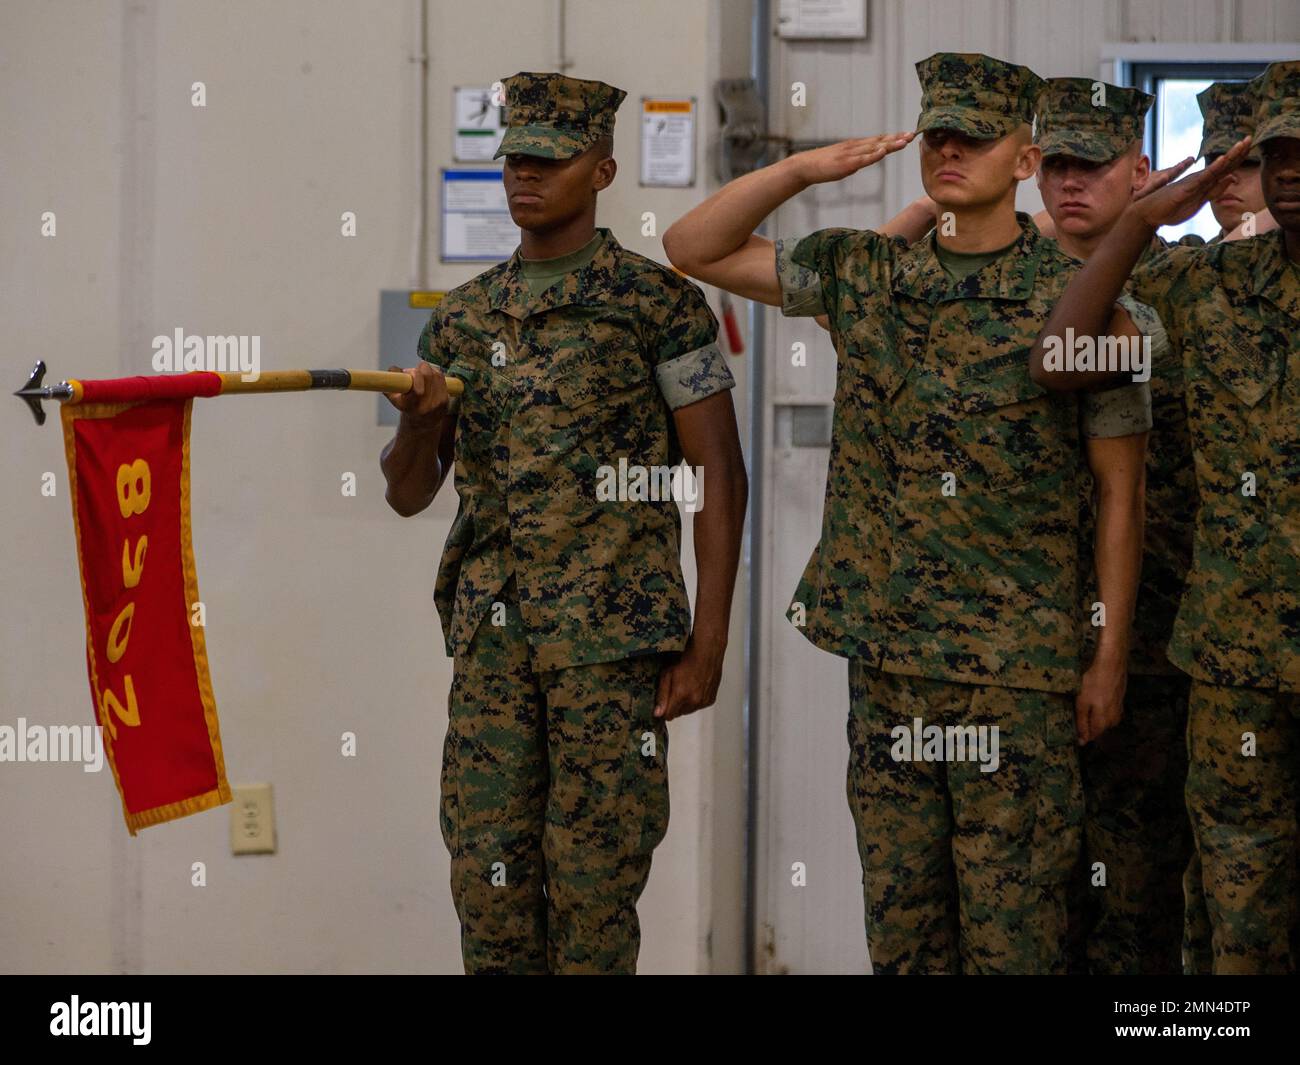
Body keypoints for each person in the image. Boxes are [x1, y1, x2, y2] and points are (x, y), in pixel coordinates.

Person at [665, 52, 1151, 974]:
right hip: (889, 668)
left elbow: (1121, 495)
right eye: (938, 136)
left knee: (1016, 944)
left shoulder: (1079, 306)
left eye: (977, 138)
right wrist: (805, 169)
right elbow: (694, 248)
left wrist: (1110, 654)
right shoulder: (870, 275)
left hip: (1017, 674)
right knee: (904, 937)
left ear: (1023, 160)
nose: (951, 151)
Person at [380, 71, 747, 974]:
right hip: (494, 649)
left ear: (604, 169)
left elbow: (719, 475)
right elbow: (405, 491)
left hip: (612, 651)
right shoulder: (460, 322)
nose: (524, 177)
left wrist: (709, 641)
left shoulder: (659, 307)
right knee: (490, 890)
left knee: (593, 897)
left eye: (549, 159)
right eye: (515, 159)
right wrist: (422, 425)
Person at [1031, 59, 1299, 975]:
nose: (1288, 171)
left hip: (1219, 646)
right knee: (1230, 913)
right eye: (1276, 152)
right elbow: (1064, 353)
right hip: (1231, 652)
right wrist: (1146, 222)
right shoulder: (1211, 285)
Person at [1031, 76, 1195, 974]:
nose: (1070, 184)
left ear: (1138, 170)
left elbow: (1067, 358)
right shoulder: (1012, 281)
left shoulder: (1186, 285)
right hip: (1028, 632)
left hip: (1159, 632)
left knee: (1139, 891)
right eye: (1054, 163)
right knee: (1032, 893)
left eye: (1091, 166)